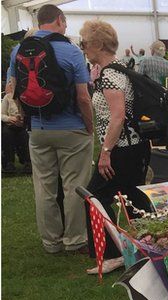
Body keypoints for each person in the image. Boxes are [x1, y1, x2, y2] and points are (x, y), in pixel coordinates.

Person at [6, 4, 93, 254]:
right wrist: (88, 125)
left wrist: (23, 116)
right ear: (59, 20)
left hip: (38, 128)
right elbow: (83, 97)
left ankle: (51, 241)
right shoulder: (72, 51)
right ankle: (75, 239)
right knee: (73, 185)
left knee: (43, 186)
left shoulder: (18, 51)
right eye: (64, 23)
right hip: (72, 128)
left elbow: (13, 89)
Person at [79, 20, 153, 275]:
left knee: (94, 197)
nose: (83, 48)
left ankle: (114, 254)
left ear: (98, 44)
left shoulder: (111, 74)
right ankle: (148, 245)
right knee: (133, 196)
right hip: (134, 146)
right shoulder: (118, 68)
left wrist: (106, 152)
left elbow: (117, 116)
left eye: (84, 43)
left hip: (122, 148)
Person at [1, 89, 31, 174]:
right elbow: (1, 114)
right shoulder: (7, 97)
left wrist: (23, 121)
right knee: (6, 135)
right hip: (9, 124)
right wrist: (9, 118)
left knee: (24, 136)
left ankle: (27, 162)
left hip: (22, 125)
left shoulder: (25, 97)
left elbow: (29, 113)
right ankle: (8, 163)